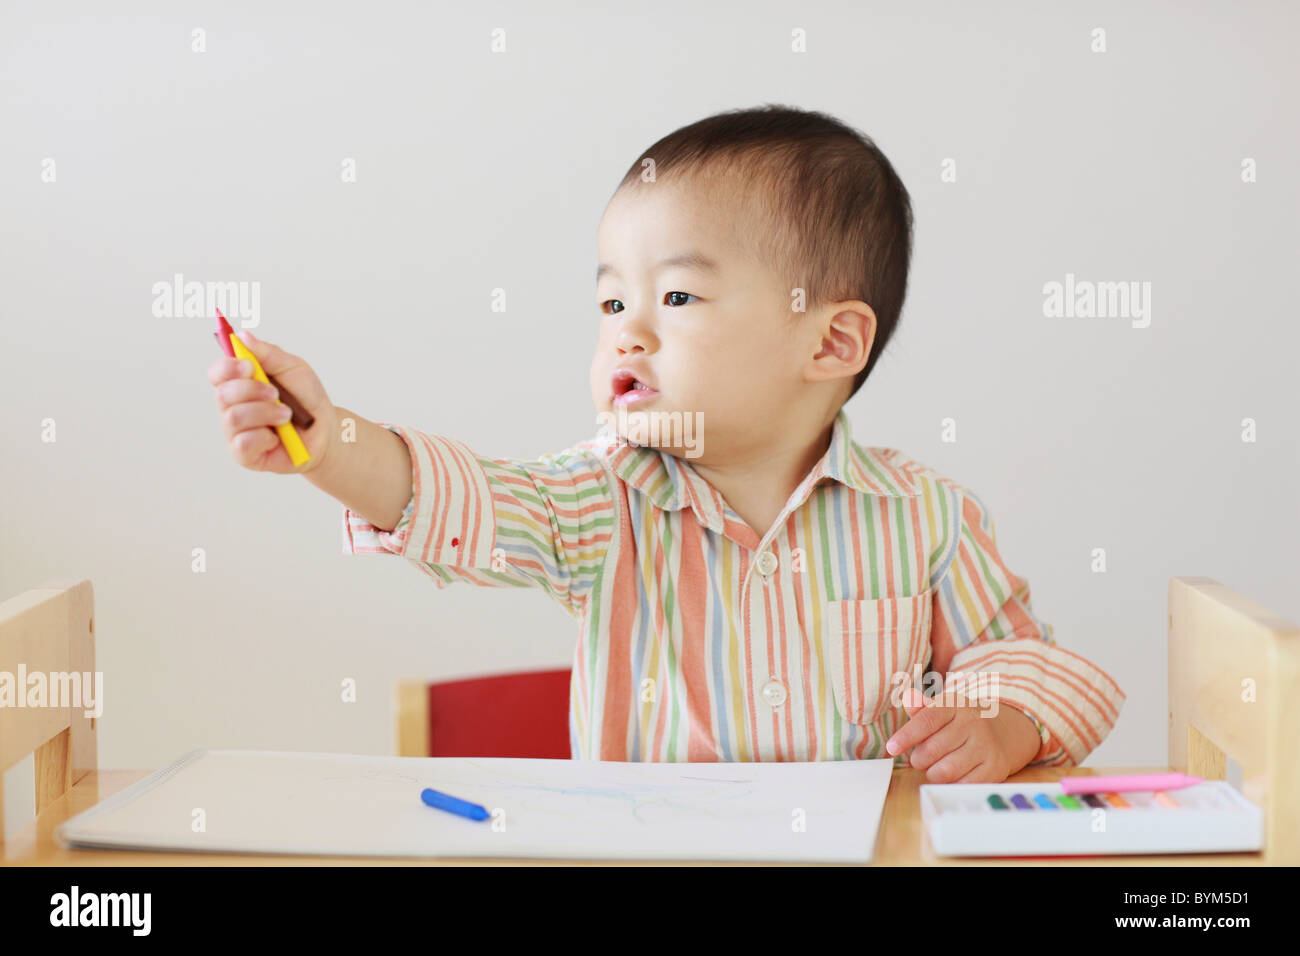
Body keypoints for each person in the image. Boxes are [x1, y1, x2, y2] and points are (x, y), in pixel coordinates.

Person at [207, 104, 1124, 779]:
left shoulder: (926, 515)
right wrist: (331, 443)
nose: (626, 333)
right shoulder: (603, 496)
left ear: (831, 341)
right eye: (611, 302)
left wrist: (998, 724)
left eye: (675, 298)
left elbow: (1030, 663)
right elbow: (465, 501)